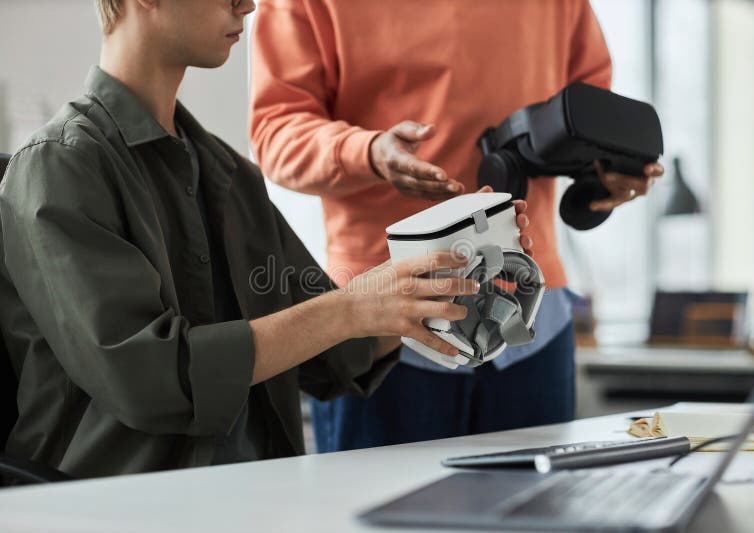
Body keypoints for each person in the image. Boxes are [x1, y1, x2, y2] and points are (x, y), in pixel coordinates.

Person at [0, 0, 530, 479]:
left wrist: (446, 279)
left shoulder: (231, 177)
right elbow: (154, 379)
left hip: (256, 499)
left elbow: (329, 356)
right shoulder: (59, 167)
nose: (248, 5)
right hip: (114, 511)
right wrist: (353, 307)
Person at [249, 0, 664, 452]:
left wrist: (608, 165)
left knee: (540, 519)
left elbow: (589, 107)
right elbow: (276, 130)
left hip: (530, 310)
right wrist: (367, 152)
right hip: (388, 318)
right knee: (381, 519)